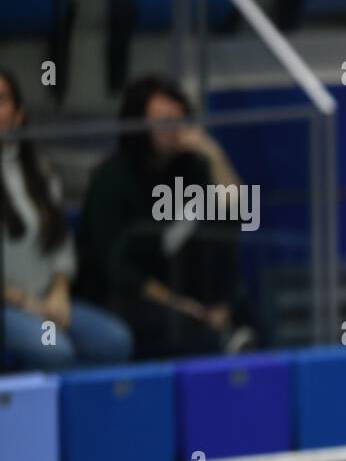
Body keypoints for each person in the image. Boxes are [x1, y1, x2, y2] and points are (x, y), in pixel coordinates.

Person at [76, 75, 255, 358]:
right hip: (128, 295)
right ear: (139, 125)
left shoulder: (191, 167)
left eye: (179, 119)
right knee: (193, 330)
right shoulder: (110, 180)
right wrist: (177, 303)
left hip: (184, 285)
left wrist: (212, 152)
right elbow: (116, 267)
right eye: (164, 121)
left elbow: (237, 213)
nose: (174, 129)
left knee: (251, 305)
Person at [1, 68, 133, 370]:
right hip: (10, 306)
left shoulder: (40, 171)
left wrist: (59, 293)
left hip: (47, 298)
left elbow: (60, 243)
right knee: (55, 350)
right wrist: (26, 303)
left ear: (19, 114)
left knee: (115, 340)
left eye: (0, 100)